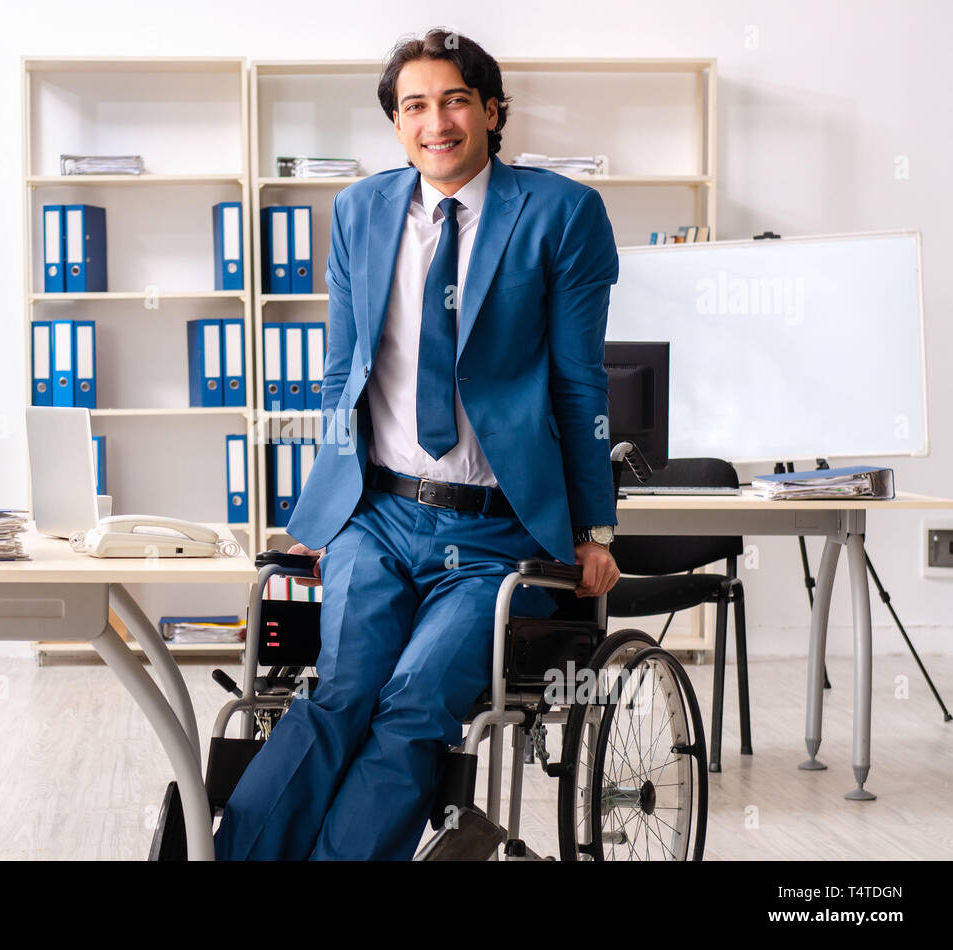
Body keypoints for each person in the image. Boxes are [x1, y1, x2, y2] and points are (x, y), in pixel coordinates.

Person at [214, 28, 621, 861]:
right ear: (397, 125)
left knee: (414, 701)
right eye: (415, 106)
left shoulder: (563, 214)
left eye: (455, 100)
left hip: (496, 533)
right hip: (379, 516)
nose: (436, 121)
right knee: (337, 693)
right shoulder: (360, 209)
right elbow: (340, 377)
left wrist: (595, 529)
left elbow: (582, 385)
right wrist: (323, 512)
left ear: (492, 111)